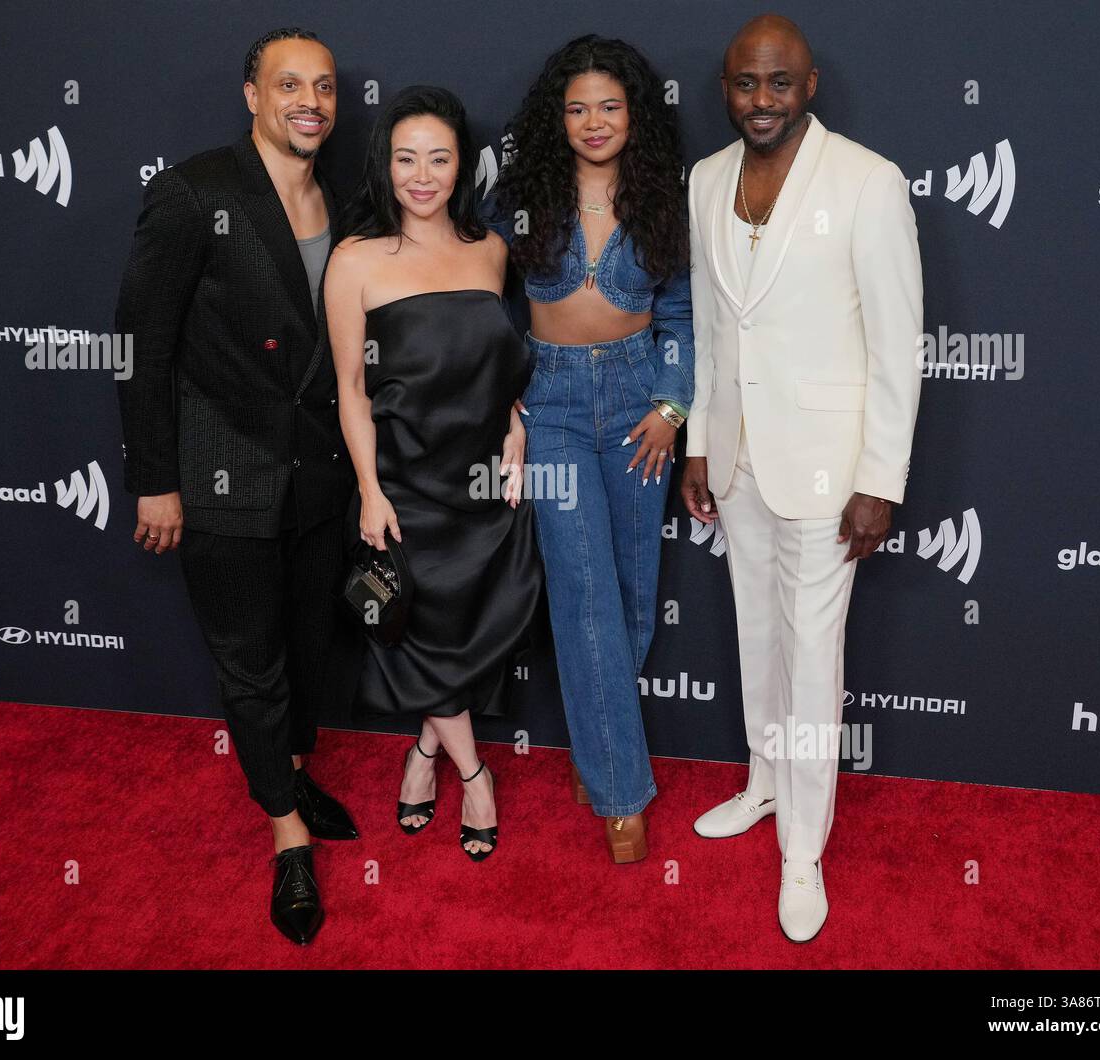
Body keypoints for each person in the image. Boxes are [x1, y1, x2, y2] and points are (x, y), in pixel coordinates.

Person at [114, 28, 361, 946]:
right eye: (290, 84)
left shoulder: (342, 197)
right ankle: (287, 836)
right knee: (250, 661)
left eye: (325, 87)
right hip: (219, 478)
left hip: (318, 478)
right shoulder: (195, 193)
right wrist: (154, 482)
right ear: (252, 95)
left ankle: (290, 773)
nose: (311, 101)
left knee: (304, 645)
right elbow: (143, 344)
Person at [683, 15, 923, 941]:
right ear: (726, 88)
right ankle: (764, 784)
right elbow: (710, 328)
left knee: (814, 658)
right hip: (740, 457)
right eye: (746, 84)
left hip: (830, 470)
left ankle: (804, 851)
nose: (762, 101)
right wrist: (701, 441)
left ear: (810, 85)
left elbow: (898, 345)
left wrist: (882, 477)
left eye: (779, 83)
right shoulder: (706, 180)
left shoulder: (867, 181)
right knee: (755, 631)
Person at [486, 35, 694, 863]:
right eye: (578, 108)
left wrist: (673, 406)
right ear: (555, 118)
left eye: (610, 106)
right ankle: (620, 789)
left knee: (634, 592)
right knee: (581, 591)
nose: (594, 122)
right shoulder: (521, 198)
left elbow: (679, 318)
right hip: (556, 408)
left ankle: (597, 745)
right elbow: (485, 303)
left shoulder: (659, 200)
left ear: (634, 113)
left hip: (641, 404)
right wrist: (511, 398)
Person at [325, 85, 542, 862]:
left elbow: (497, 357)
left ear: (462, 165)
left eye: (440, 159)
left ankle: (423, 753)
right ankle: (474, 774)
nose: (423, 176)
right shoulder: (355, 260)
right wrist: (371, 491)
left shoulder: (491, 249)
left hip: (483, 484)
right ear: (385, 166)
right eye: (406, 159)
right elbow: (350, 389)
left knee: (465, 629)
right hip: (405, 484)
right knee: (421, 630)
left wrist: (515, 417)